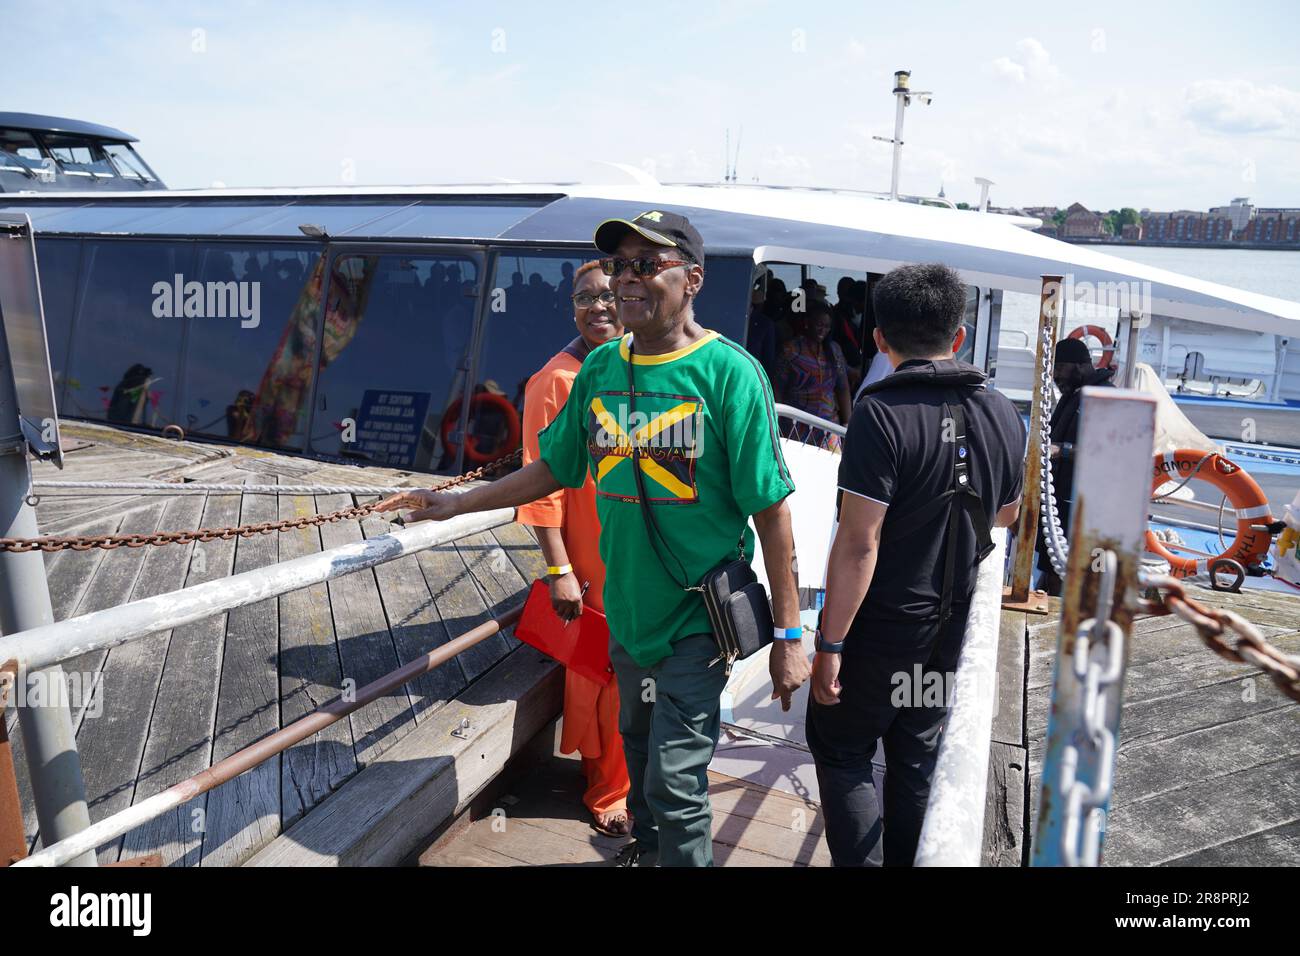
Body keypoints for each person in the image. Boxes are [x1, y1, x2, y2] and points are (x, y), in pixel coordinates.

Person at [376, 211, 809, 867]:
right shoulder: (602, 369)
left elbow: (772, 516)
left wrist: (790, 637)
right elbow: (553, 469)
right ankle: (647, 851)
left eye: (646, 265)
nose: (626, 281)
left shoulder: (729, 374)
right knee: (635, 749)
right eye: (619, 266)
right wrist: (455, 504)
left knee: (676, 779)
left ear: (691, 279)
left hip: (695, 619)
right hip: (625, 617)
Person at [807, 262, 1025, 867]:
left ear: (879, 337)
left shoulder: (879, 415)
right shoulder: (1003, 410)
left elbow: (859, 543)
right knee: (915, 752)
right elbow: (1006, 516)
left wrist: (830, 644)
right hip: (949, 629)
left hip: (881, 629)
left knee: (844, 749)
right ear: (958, 338)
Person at [515, 260, 632, 837]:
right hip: (589, 551)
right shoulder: (556, 380)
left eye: (609, 295)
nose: (599, 307)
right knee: (603, 668)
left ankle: (636, 778)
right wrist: (559, 567)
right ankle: (607, 790)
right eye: (585, 299)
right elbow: (540, 483)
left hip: (634, 546)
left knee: (644, 661)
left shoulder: (635, 368)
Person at [1035, 336, 1117, 595]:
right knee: (1050, 572)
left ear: (1081, 365)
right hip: (1058, 505)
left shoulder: (1106, 397)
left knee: (1065, 575)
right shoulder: (1072, 395)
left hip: (1082, 509)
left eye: (1059, 368)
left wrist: (1063, 450)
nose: (1055, 376)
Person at [774, 297, 852, 448]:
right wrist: (777, 419)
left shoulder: (834, 350)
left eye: (827, 326)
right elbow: (777, 387)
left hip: (829, 426)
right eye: (819, 325)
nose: (823, 330)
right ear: (807, 323)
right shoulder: (791, 350)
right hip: (797, 424)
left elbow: (843, 388)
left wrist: (847, 423)